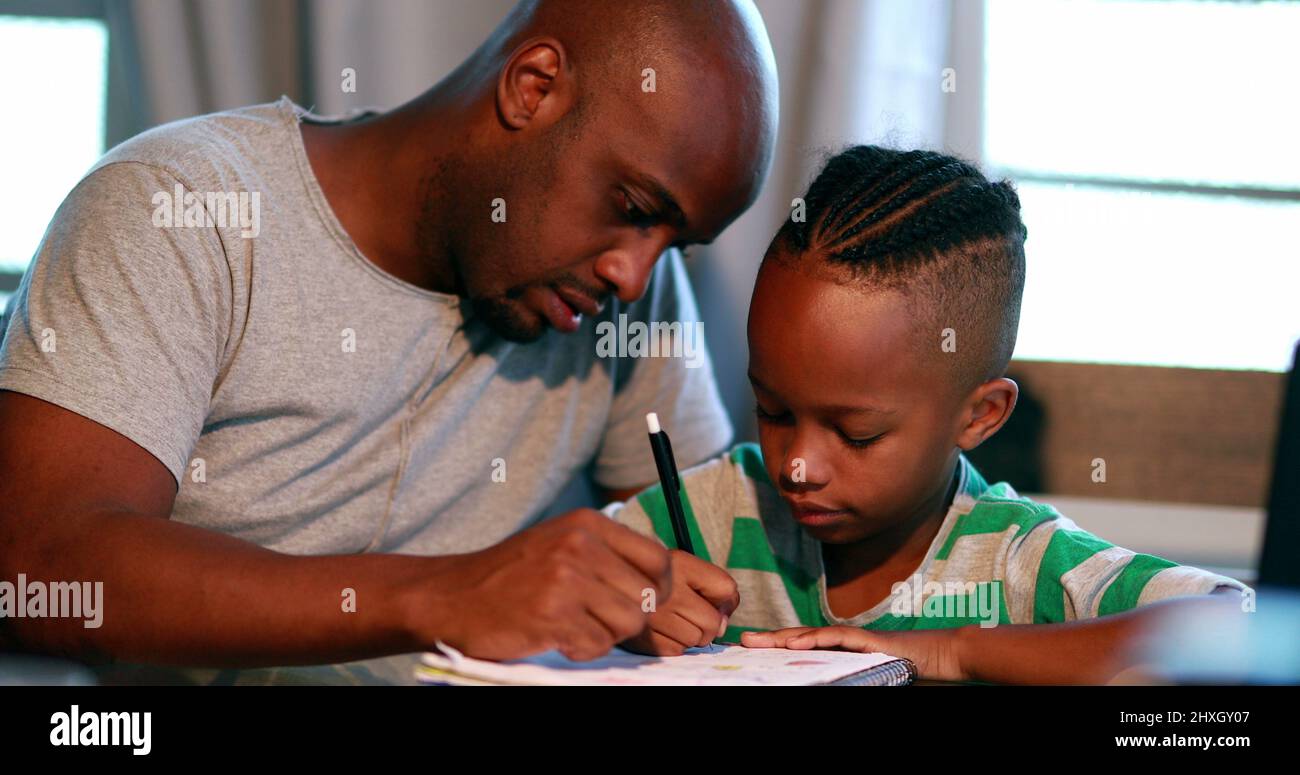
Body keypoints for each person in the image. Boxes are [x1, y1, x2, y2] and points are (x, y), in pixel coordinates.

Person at [0, 0, 775, 667]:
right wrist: (447, 592)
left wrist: (654, 598)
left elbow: (702, 548)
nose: (635, 277)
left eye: (674, 243)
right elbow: (41, 563)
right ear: (533, 88)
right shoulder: (182, 209)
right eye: (636, 209)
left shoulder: (626, 292)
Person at [606, 146, 1252, 683]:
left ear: (980, 415)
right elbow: (569, 577)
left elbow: (1229, 622)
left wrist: (948, 650)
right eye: (773, 411)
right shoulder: (714, 509)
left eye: (857, 433)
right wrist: (632, 609)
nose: (799, 464)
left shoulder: (1015, 557)